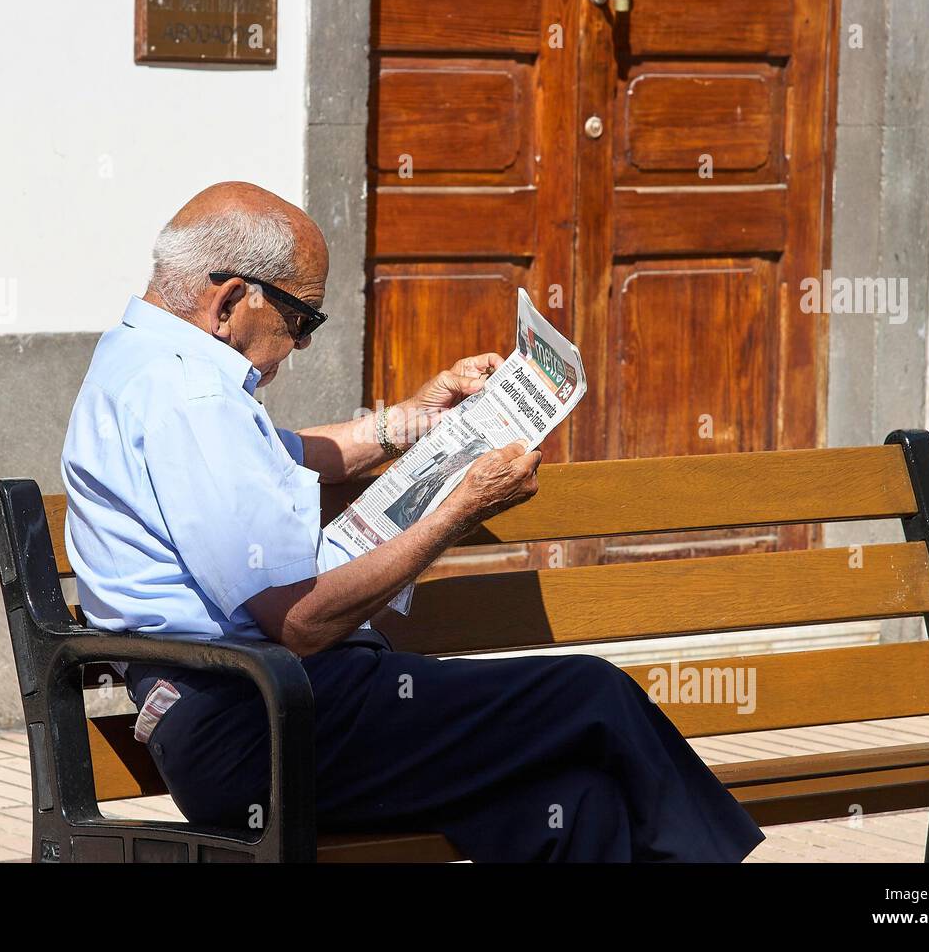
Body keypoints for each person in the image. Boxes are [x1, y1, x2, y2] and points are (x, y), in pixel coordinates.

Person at [61, 181, 765, 862]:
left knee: (570, 801)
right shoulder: (190, 393)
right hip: (260, 723)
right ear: (231, 300)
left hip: (260, 712)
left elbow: (299, 455)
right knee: (592, 695)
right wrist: (459, 511)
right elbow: (301, 624)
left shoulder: (144, 357)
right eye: (301, 320)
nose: (301, 344)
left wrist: (420, 417)